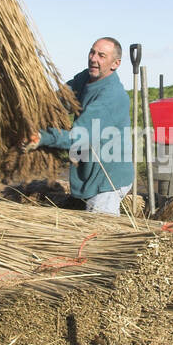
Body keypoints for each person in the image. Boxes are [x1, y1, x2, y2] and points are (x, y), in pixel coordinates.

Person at [27, 38, 134, 214]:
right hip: (88, 171)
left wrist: (42, 137)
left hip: (106, 179)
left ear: (115, 64)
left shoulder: (111, 96)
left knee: (98, 232)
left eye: (101, 55)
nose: (93, 58)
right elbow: (62, 99)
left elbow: (80, 138)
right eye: (92, 52)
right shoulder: (86, 77)